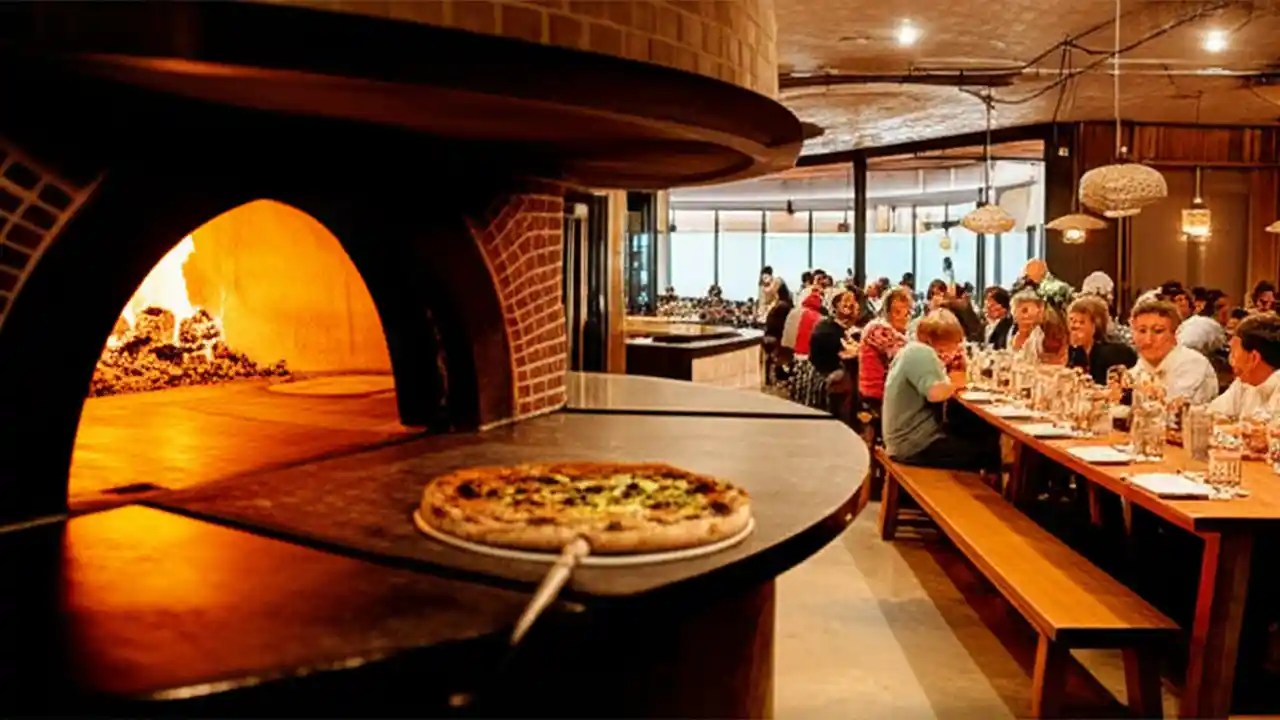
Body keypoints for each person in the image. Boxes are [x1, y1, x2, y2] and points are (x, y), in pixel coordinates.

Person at [882, 309, 998, 471]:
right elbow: (935, 393)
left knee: (975, 433)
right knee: (987, 451)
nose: (956, 346)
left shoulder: (911, 350)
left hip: (903, 441)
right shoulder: (922, 353)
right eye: (953, 341)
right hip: (914, 445)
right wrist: (958, 382)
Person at [1130, 299, 1219, 404]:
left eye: (1158, 331)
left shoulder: (1193, 364)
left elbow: (1173, 412)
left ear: (1175, 334)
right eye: (1142, 331)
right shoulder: (1137, 370)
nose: (1148, 340)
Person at [1208, 314, 1280, 417]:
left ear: (1254, 358)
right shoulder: (1243, 384)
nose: (1230, 361)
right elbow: (1212, 414)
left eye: (1233, 353)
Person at [859, 286, 912, 410]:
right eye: (897, 312)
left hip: (883, 392)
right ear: (886, 311)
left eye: (907, 313)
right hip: (877, 396)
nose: (903, 317)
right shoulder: (878, 329)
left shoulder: (886, 328)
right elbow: (907, 356)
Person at [1067, 295, 1137, 385]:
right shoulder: (1071, 353)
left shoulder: (1115, 353)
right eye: (1072, 320)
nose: (1074, 326)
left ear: (1096, 325)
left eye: (1081, 322)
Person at [1009, 289, 1045, 360]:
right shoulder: (1012, 336)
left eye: (1033, 311)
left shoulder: (1042, 338)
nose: (1028, 315)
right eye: (1024, 310)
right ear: (1014, 313)